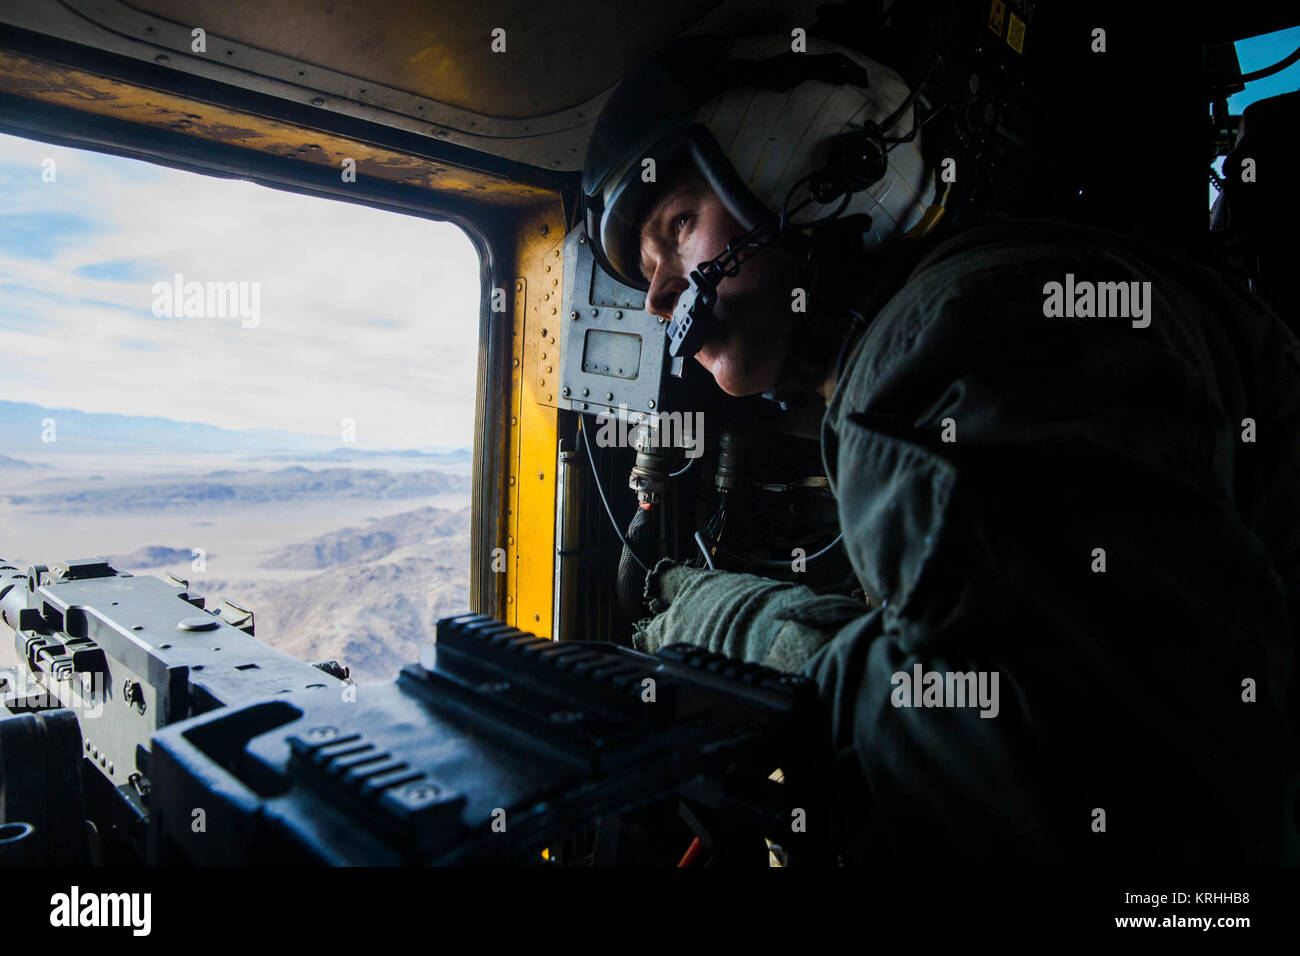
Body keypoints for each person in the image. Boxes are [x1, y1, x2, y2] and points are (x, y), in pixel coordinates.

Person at [581, 33, 1300, 862]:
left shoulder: (959, 334)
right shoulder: (974, 309)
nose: (660, 297)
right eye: (646, 273)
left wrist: (747, 632)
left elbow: (1110, 799)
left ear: (826, 175)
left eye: (678, 228)